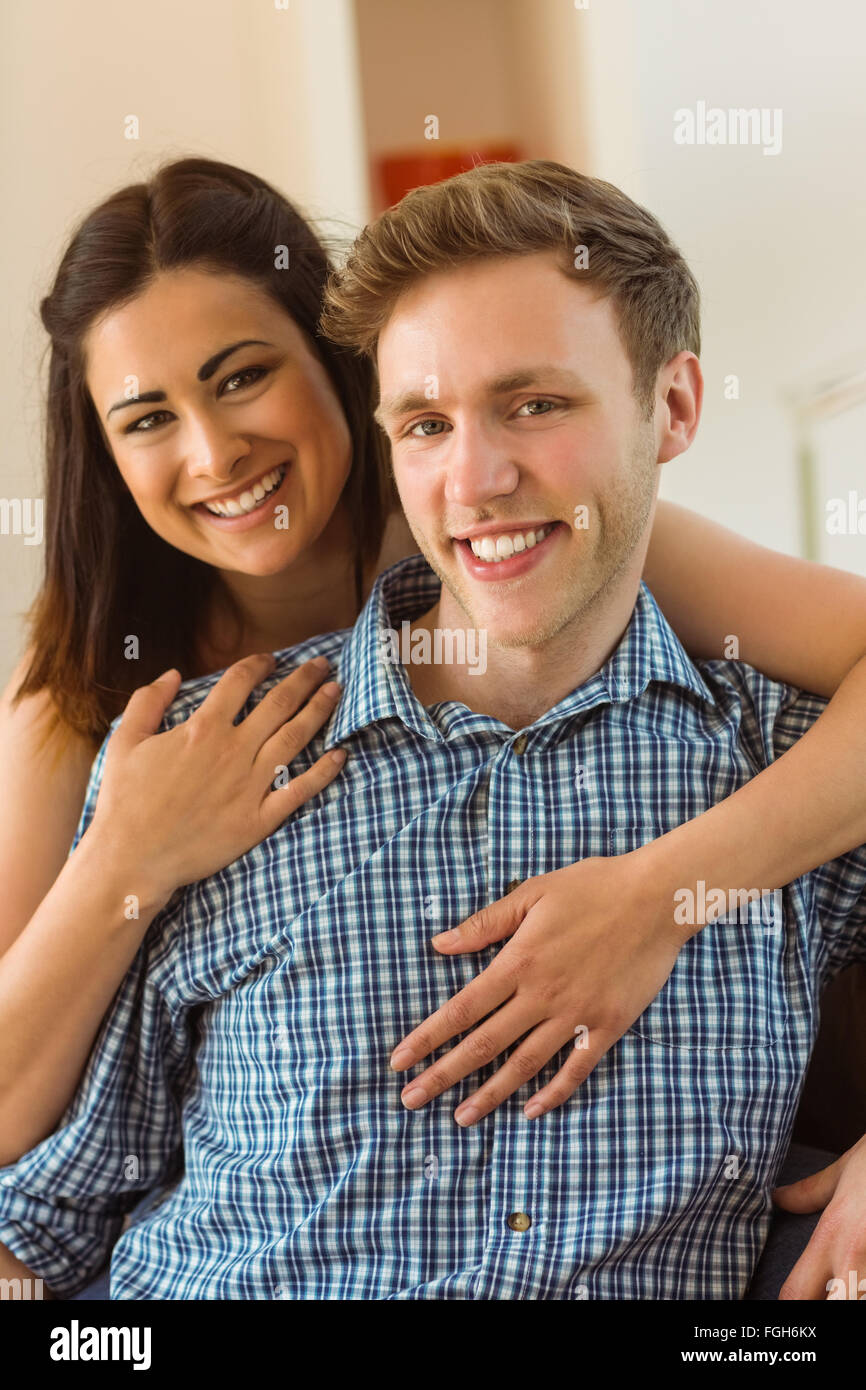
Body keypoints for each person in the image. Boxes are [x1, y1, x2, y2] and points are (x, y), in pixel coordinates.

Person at [0, 159, 863, 1300]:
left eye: (534, 402)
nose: (213, 455)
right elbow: (31, 1194)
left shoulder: (715, 691)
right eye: (429, 420)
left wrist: (663, 891)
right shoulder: (119, 722)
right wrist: (127, 858)